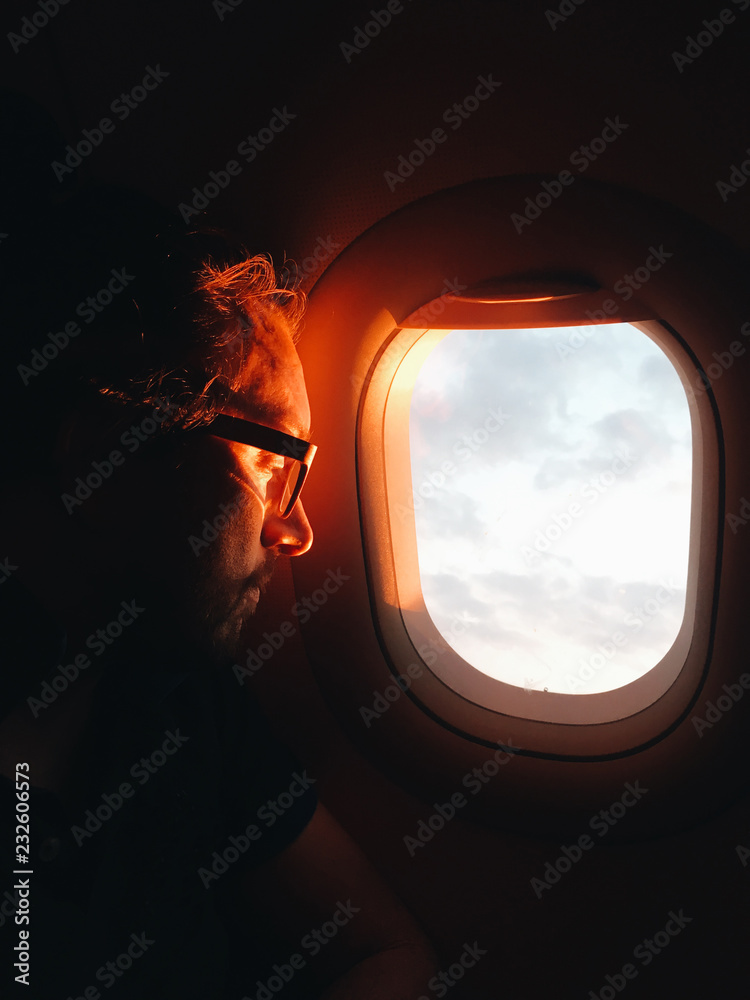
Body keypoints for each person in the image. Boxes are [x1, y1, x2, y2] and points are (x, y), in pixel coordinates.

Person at [0, 184, 438, 998]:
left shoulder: (178, 703)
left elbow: (380, 952)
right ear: (100, 456)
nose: (294, 531)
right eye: (273, 464)